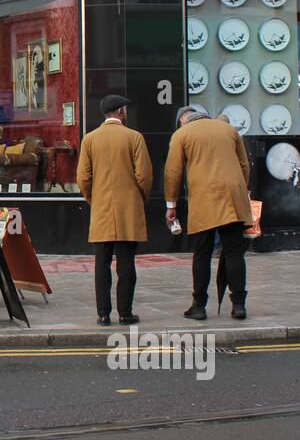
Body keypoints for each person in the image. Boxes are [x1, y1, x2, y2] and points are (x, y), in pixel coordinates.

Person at [165, 106, 252, 321]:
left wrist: (171, 205)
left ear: (184, 121)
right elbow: (244, 165)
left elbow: (173, 172)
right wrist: (241, 190)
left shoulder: (182, 134)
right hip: (232, 199)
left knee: (202, 253)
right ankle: (239, 304)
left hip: (204, 199)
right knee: (234, 252)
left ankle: (199, 306)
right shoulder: (229, 130)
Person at [77, 95, 152, 326]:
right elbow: (144, 176)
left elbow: (83, 178)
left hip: (101, 210)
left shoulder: (90, 139)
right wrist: (139, 199)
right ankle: (125, 313)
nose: (126, 112)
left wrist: (94, 199)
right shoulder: (134, 137)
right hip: (129, 210)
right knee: (126, 264)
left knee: (101, 265)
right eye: (125, 109)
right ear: (120, 111)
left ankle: (103, 314)